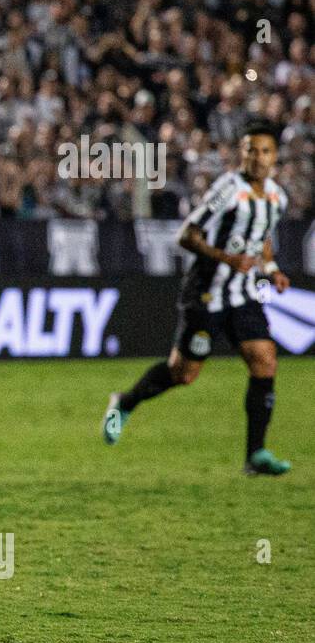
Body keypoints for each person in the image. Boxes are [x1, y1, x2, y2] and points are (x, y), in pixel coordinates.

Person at [104, 119, 292, 475]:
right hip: (206, 292)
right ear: (242, 153)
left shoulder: (276, 198)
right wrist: (228, 259)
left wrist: (271, 270)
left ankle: (256, 455)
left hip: (243, 294)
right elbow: (187, 235)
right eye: (251, 150)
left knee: (264, 360)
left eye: (264, 151)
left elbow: (262, 240)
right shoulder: (227, 189)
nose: (257, 157)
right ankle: (125, 402)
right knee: (183, 373)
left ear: (274, 157)